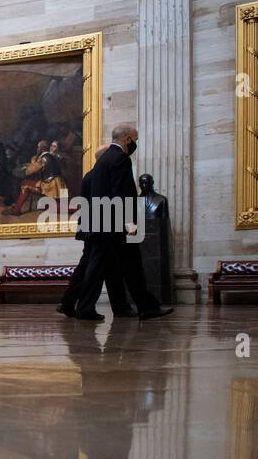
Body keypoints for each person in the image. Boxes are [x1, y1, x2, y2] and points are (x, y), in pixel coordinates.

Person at [60, 122, 173, 322]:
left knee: (102, 266)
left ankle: (88, 307)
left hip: (103, 224)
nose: (135, 144)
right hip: (114, 225)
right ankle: (144, 307)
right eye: (135, 140)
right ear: (127, 138)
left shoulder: (101, 163)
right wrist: (129, 222)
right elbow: (122, 194)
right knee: (129, 265)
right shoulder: (120, 158)